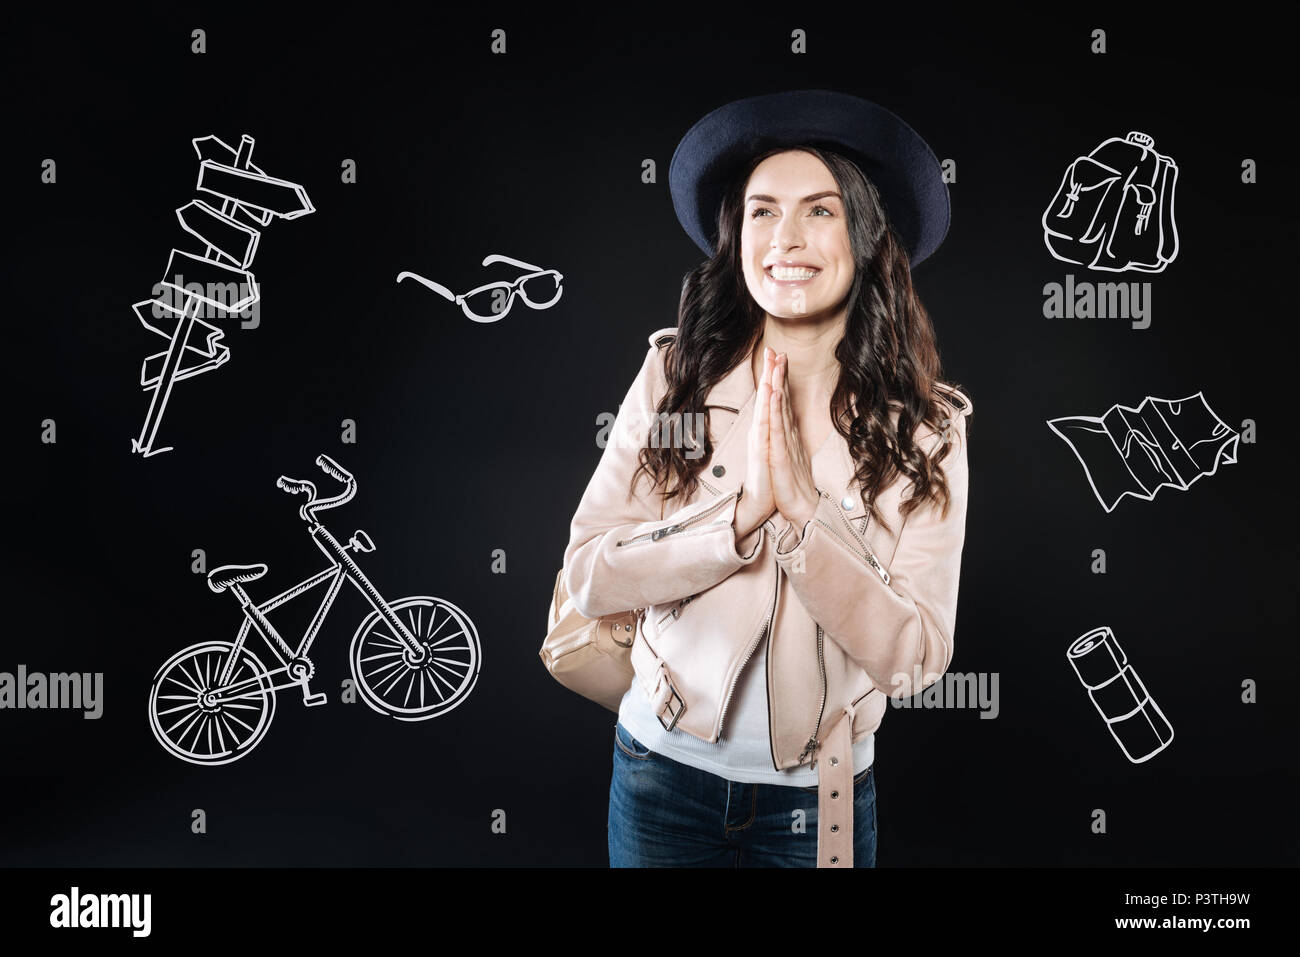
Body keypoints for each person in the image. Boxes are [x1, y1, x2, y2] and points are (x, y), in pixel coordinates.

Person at [561, 90, 973, 867]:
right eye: (762, 211)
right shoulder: (673, 375)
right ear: (736, 234)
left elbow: (915, 659)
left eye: (819, 211)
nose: (787, 238)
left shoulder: (927, 427)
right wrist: (739, 519)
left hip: (821, 799)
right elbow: (589, 572)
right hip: (658, 777)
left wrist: (808, 520)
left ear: (866, 233)